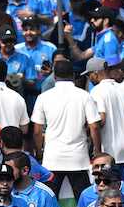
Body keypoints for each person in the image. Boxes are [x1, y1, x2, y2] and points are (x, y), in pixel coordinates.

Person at [31, 58, 102, 199]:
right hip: (79, 159)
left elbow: (37, 130)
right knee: (85, 202)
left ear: (54, 76)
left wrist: (39, 152)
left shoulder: (44, 97)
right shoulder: (84, 96)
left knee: (49, 201)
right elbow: (94, 126)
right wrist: (98, 151)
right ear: (74, 76)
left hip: (52, 158)